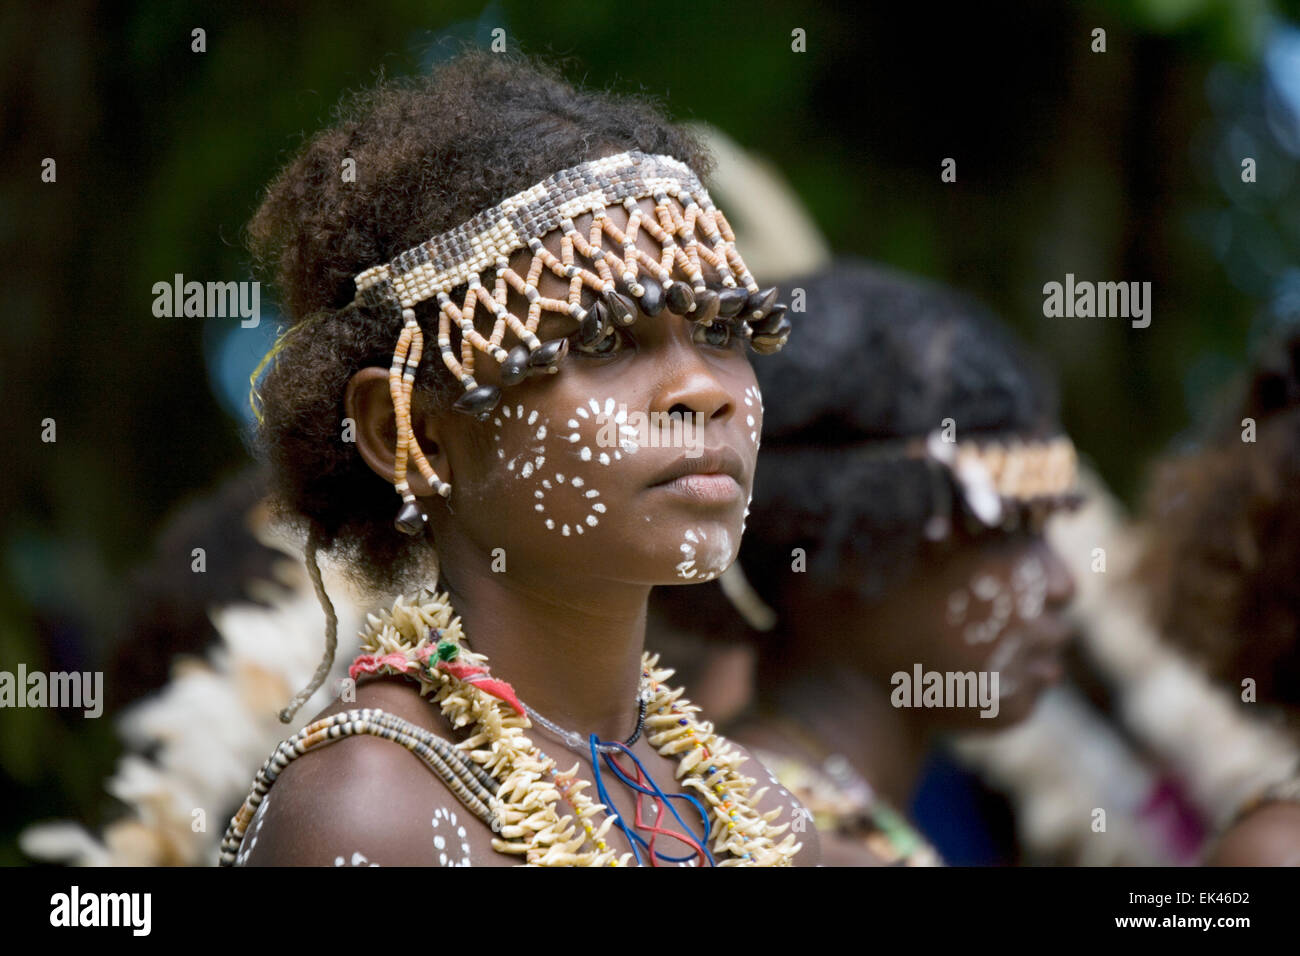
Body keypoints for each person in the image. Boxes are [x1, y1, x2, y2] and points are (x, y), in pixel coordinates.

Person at [218, 49, 812, 867]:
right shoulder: (367, 818)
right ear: (410, 435)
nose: (701, 390)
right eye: (603, 339)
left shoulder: (768, 817)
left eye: (722, 332)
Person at [655, 258, 1080, 865]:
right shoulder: (776, 845)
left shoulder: (789, 820)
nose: (1062, 584)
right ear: (852, 549)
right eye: (1007, 531)